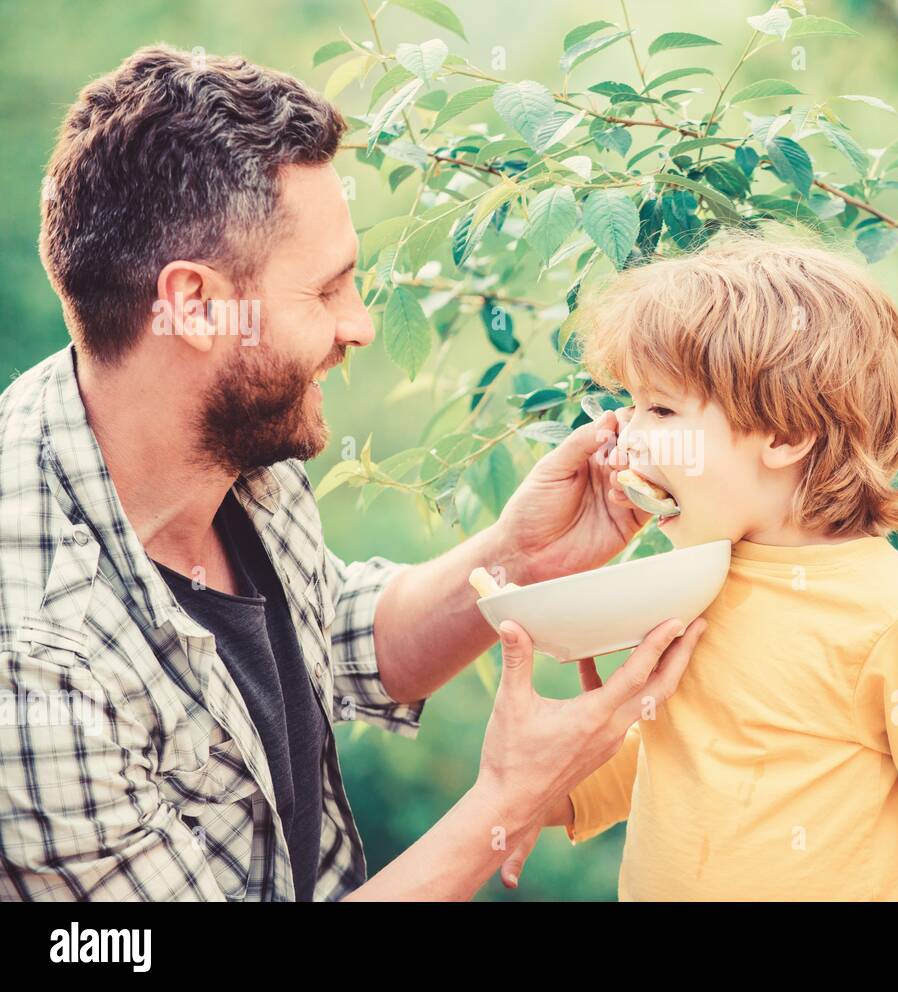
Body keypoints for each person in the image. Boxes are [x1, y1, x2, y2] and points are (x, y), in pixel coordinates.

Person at [0, 44, 706, 902]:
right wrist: (511, 798)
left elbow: (327, 637)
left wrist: (518, 563)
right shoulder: (36, 659)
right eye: (328, 292)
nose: (361, 326)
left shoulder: (213, 435)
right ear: (193, 303)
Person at [508, 230, 898, 901]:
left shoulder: (890, 614)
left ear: (786, 435)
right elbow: (670, 756)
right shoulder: (693, 580)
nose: (626, 435)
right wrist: (534, 796)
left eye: (661, 409)